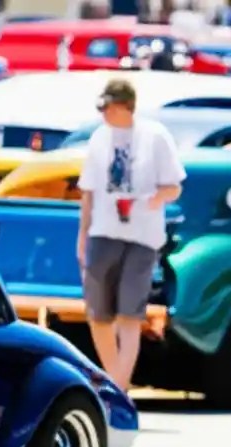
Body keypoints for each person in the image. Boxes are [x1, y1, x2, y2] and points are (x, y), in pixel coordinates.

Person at [77, 79, 185, 393]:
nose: (104, 114)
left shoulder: (154, 137)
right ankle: (114, 381)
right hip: (104, 230)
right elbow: (88, 192)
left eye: (109, 106)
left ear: (125, 106)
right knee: (98, 312)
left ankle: (118, 386)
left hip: (142, 235)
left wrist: (152, 199)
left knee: (129, 312)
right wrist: (82, 235)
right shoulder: (100, 138)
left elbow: (175, 185)